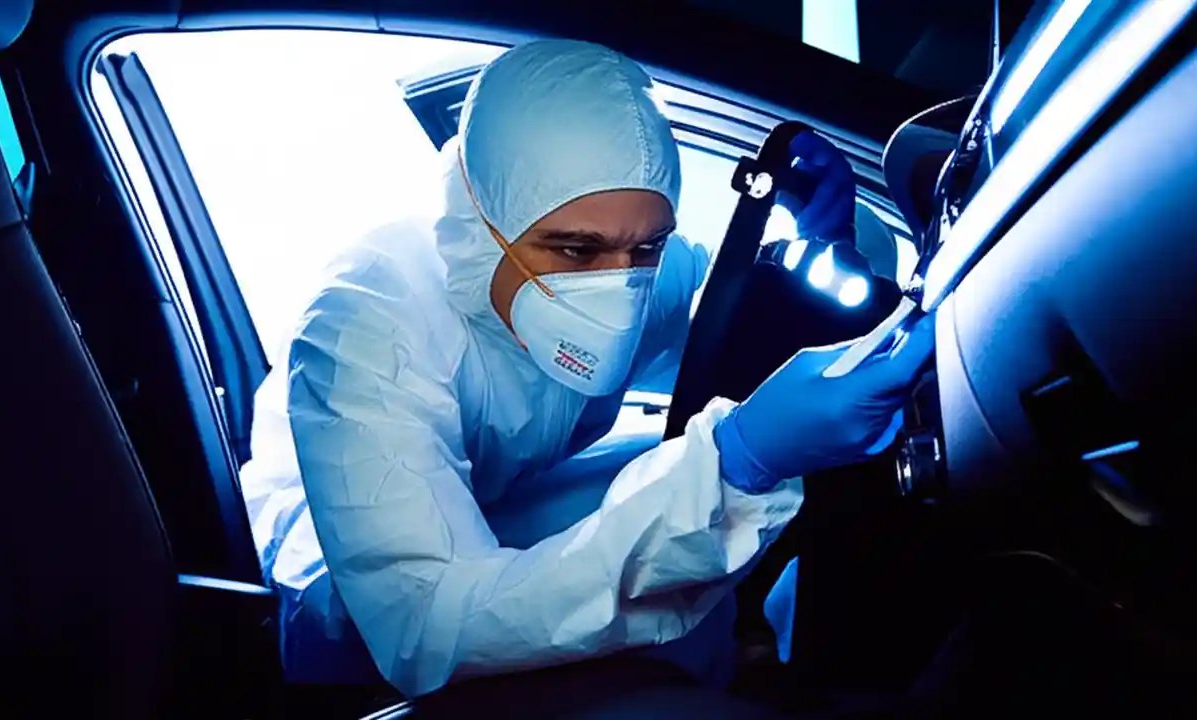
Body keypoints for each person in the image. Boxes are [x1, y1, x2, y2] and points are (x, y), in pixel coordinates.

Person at [239, 38, 934, 703]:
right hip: (352, 595)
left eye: (646, 247)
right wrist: (739, 461)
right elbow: (425, 623)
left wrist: (819, 251)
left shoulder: (636, 271)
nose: (617, 286)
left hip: (495, 495)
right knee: (688, 533)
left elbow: (717, 333)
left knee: (690, 513)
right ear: (486, 222)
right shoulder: (369, 320)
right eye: (574, 251)